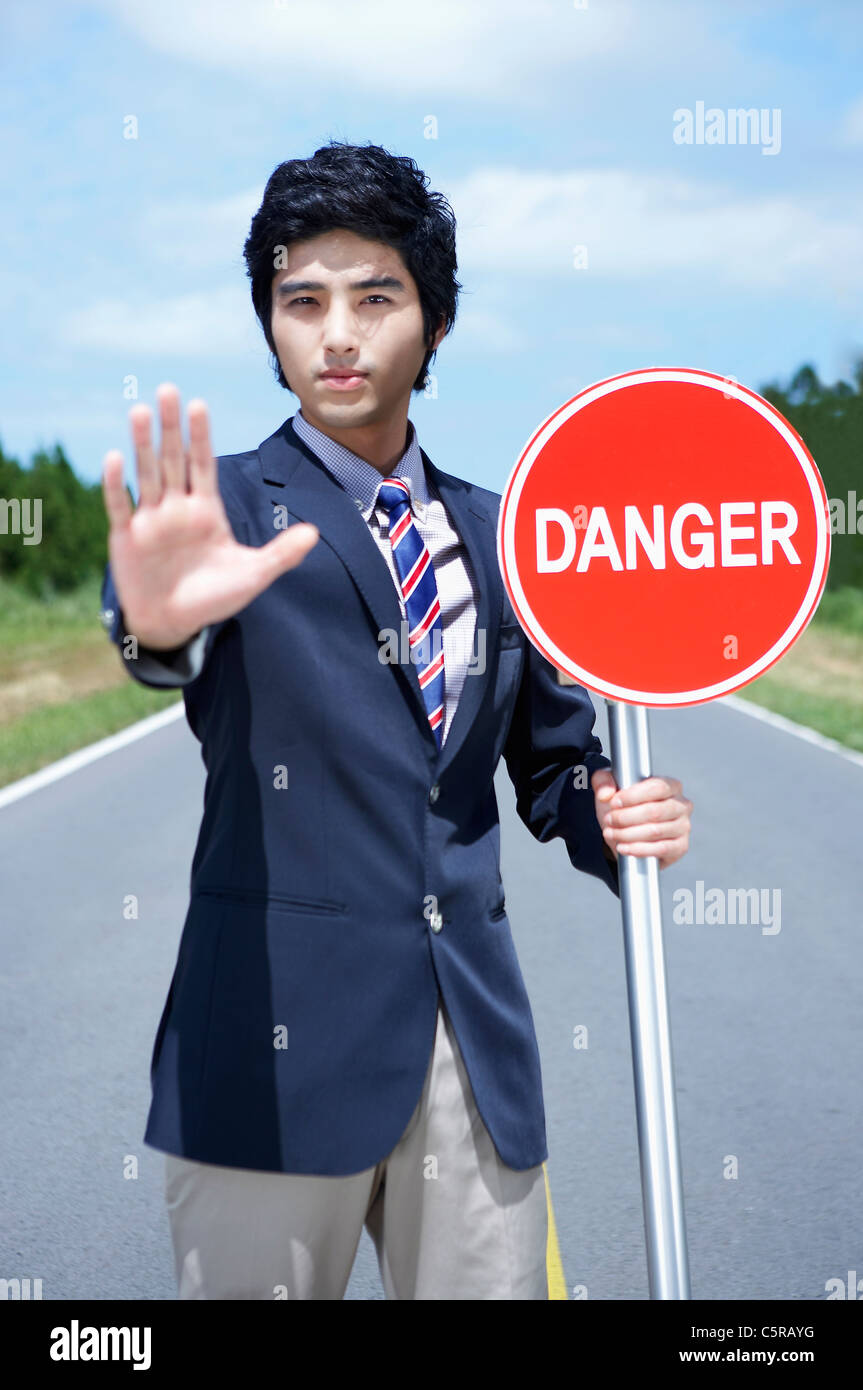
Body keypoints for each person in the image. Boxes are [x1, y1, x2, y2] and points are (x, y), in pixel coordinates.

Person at [100, 140, 693, 1301]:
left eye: (375, 297)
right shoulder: (219, 509)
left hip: (471, 1063)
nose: (336, 334)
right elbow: (155, 628)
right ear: (268, 323)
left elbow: (552, 770)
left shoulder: (501, 530)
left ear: (432, 318)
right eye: (300, 300)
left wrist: (608, 813)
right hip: (270, 1060)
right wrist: (158, 627)